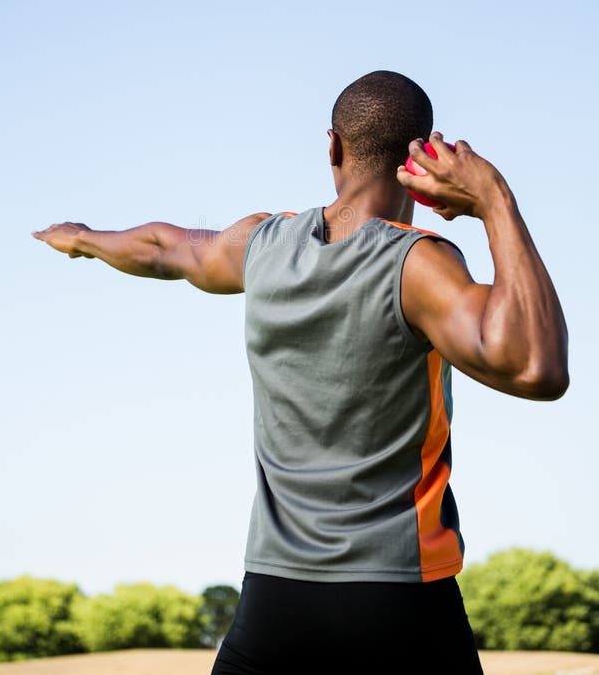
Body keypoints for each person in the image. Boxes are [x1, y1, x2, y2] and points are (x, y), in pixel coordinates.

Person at [32, 70, 569, 674]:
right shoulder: (419, 265)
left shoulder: (262, 245)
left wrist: (84, 239)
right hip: (401, 598)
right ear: (419, 158)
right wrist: (495, 200)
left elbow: (162, 247)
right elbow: (537, 367)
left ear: (333, 146)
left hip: (275, 601)